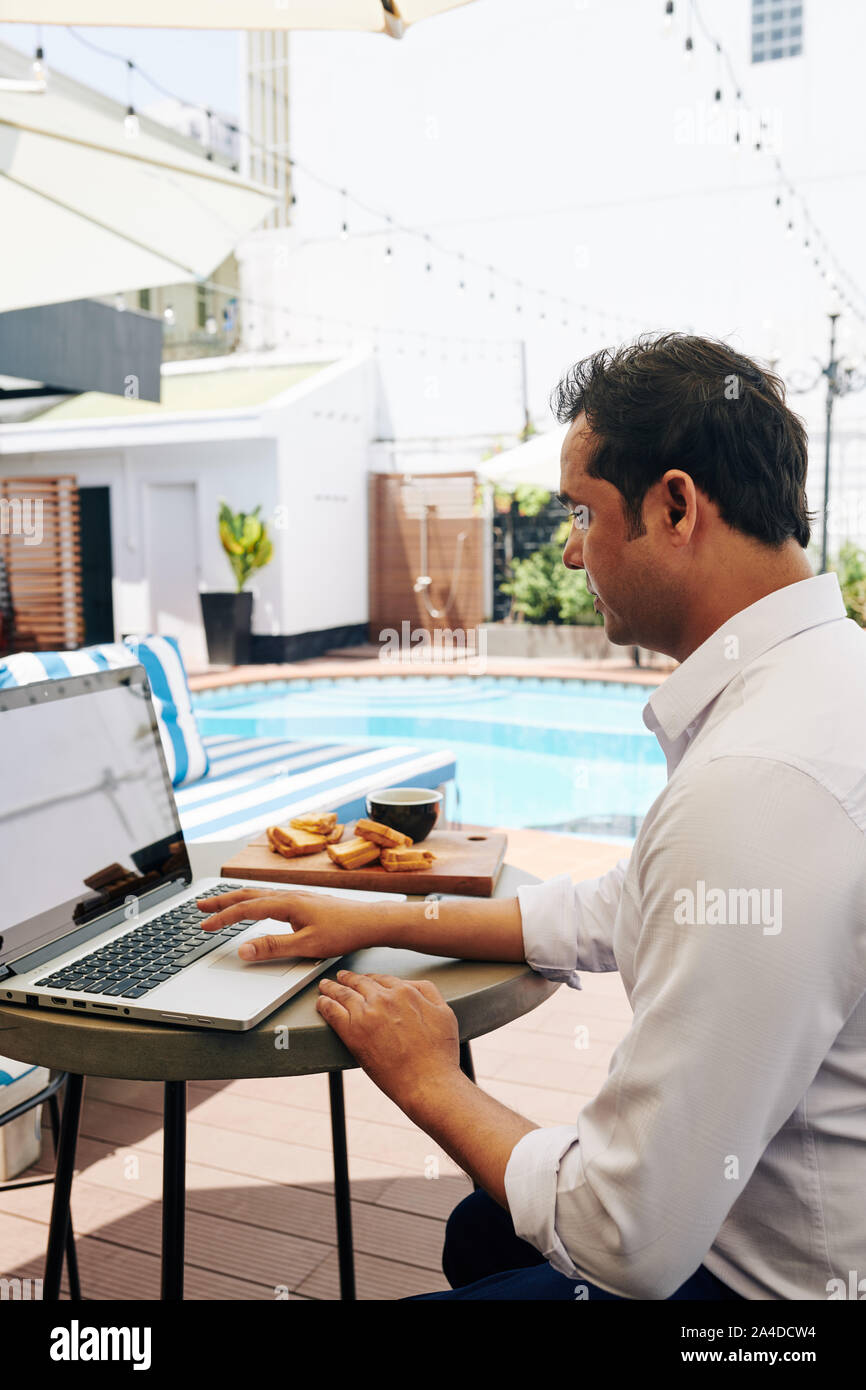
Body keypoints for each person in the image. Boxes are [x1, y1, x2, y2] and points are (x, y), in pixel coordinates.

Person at [197, 333, 866, 1301]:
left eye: (582, 513)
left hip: (763, 1297)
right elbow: (614, 908)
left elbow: (621, 1234)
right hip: (776, 1229)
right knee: (482, 1228)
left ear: (674, 506)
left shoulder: (758, 782)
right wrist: (376, 914)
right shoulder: (819, 683)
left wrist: (430, 1079)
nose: (565, 548)